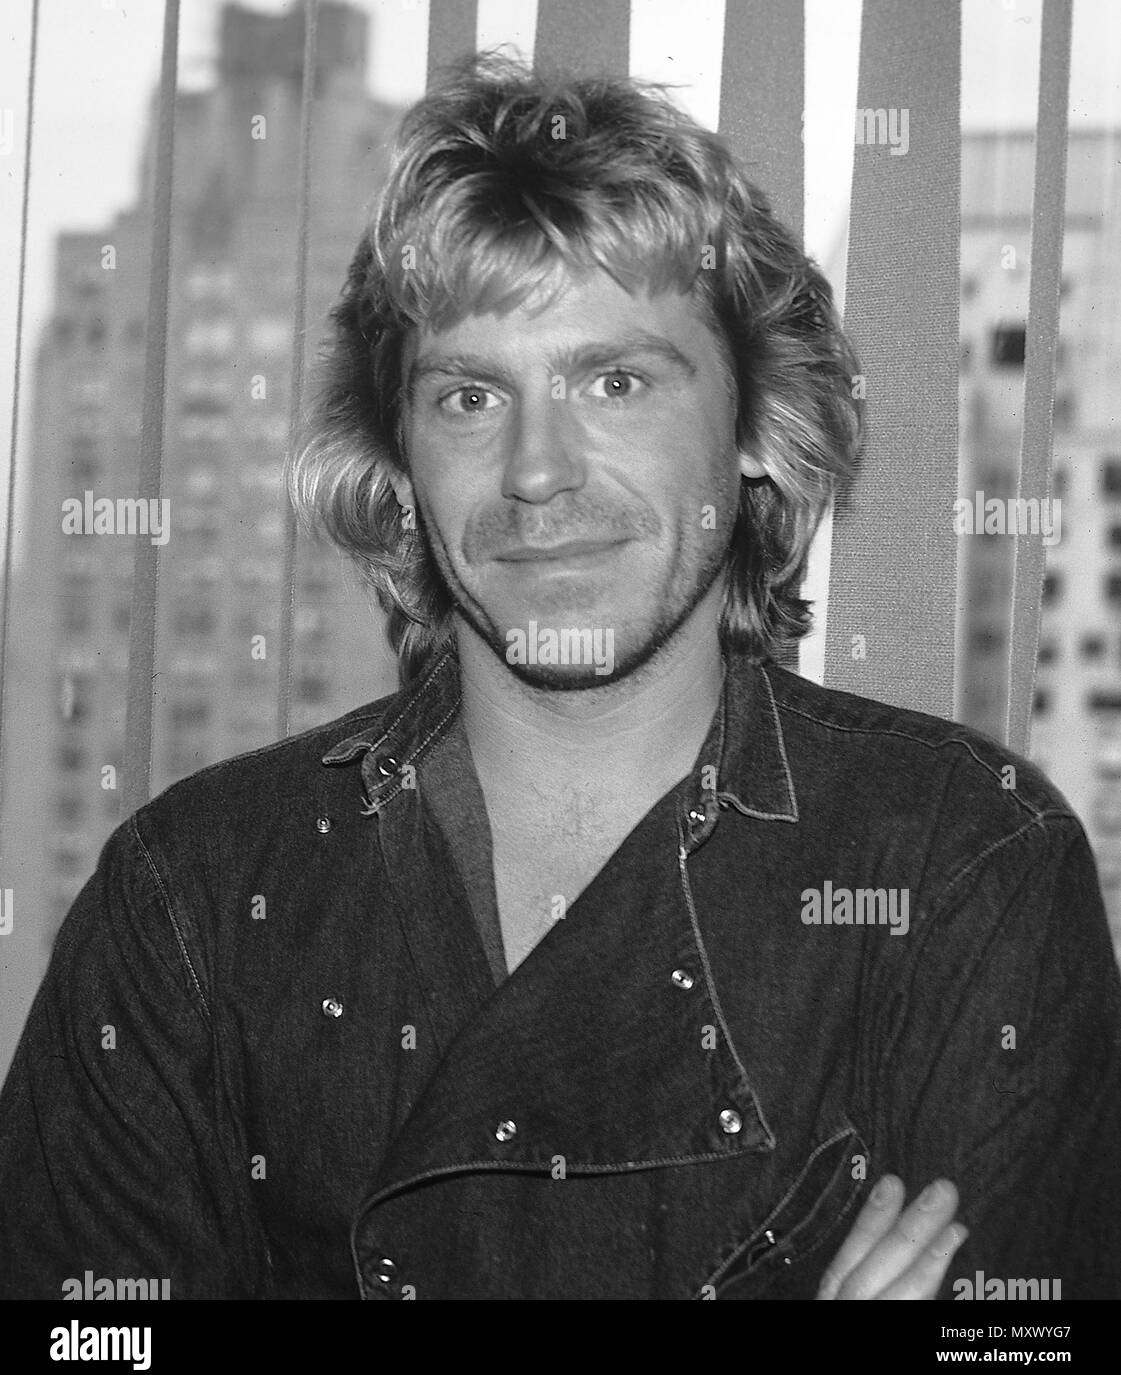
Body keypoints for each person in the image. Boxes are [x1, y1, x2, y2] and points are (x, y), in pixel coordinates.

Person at [2, 54, 1118, 1302]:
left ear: (753, 424)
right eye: (471, 395)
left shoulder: (961, 865)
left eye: (615, 381)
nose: (537, 470)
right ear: (401, 460)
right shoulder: (193, 901)